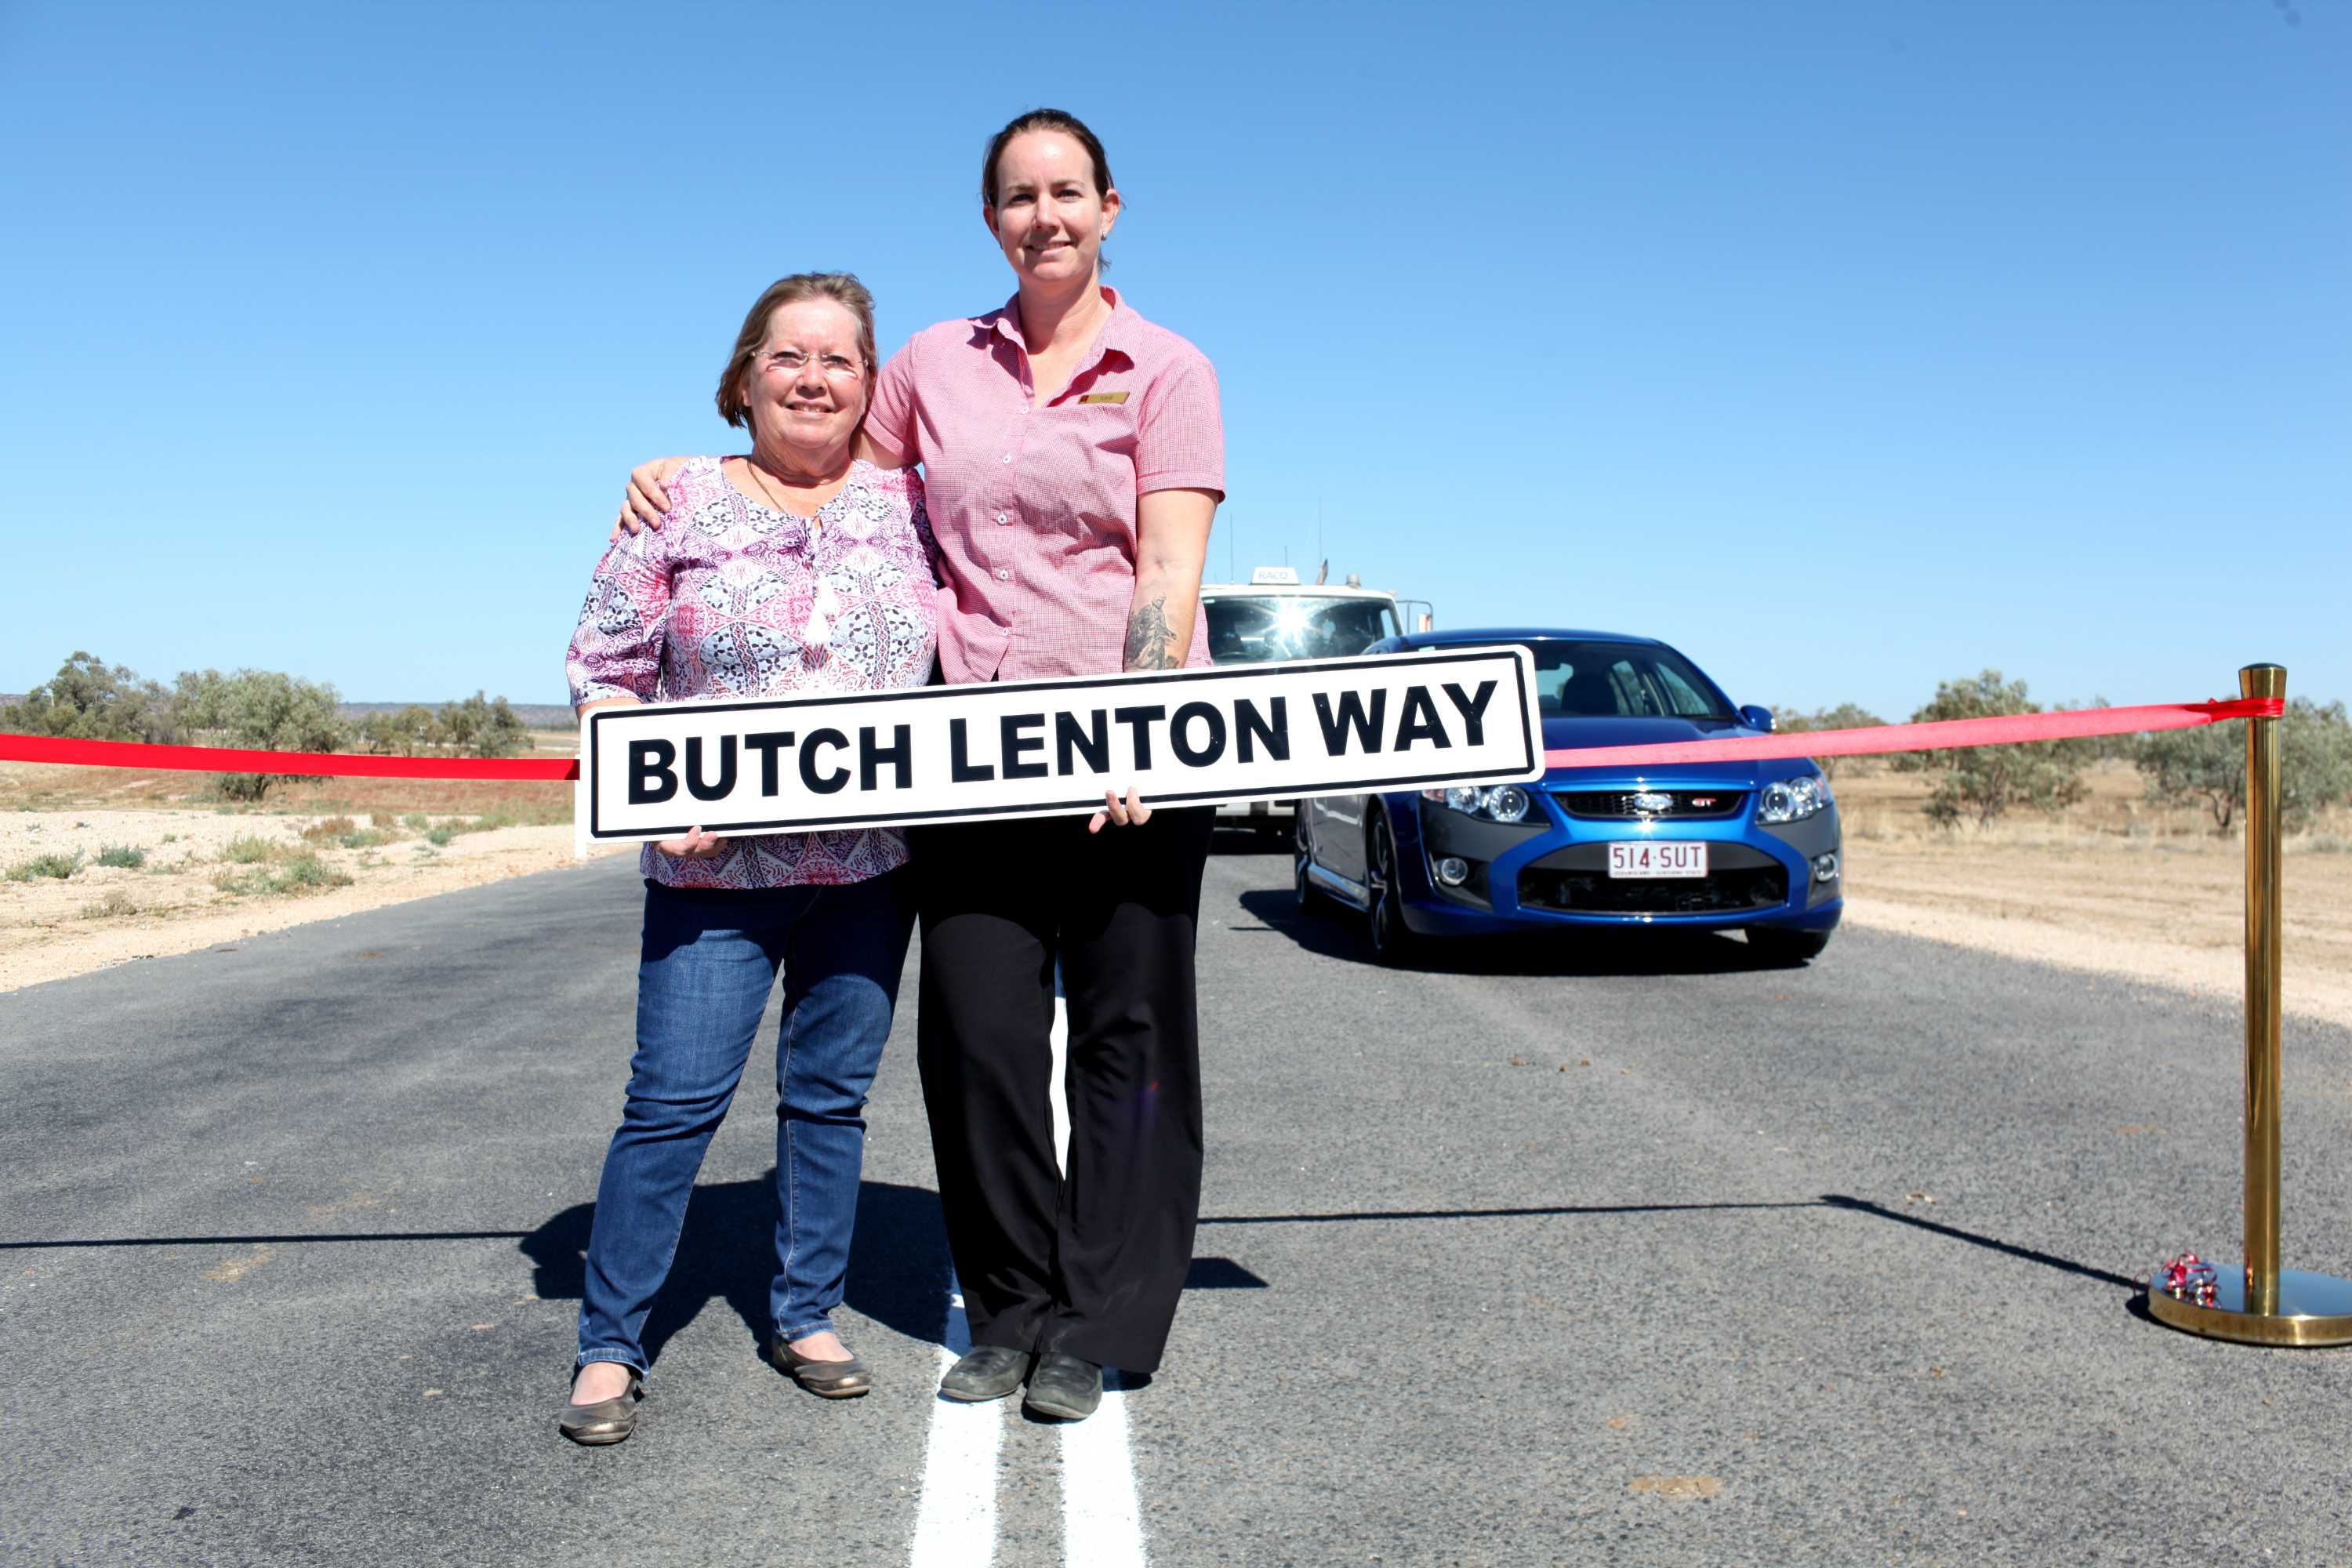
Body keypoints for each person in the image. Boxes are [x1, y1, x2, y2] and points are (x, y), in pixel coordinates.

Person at [614, 109, 1222, 1423]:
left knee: (1127, 1032)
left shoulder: (1166, 366)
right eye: (1018, 196)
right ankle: (1008, 1309)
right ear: (992, 219)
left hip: (1121, 747)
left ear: (1111, 209)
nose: (1044, 215)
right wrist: (687, 473)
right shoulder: (937, 362)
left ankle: (1100, 1318)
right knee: (981, 1034)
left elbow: (1168, 564)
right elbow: (826, 483)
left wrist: (1146, 722)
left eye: (1068, 192)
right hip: (968, 751)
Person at [560, 271, 936, 1445]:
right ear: (744, 376)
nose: (815, 378)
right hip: (713, 882)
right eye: (790, 356)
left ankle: (807, 1311)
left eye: (841, 360)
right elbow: (601, 666)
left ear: (872, 387)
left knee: (829, 1102)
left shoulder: (916, 504)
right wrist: (651, 793)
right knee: (672, 1107)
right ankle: (610, 1343)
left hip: (869, 874)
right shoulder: (675, 503)